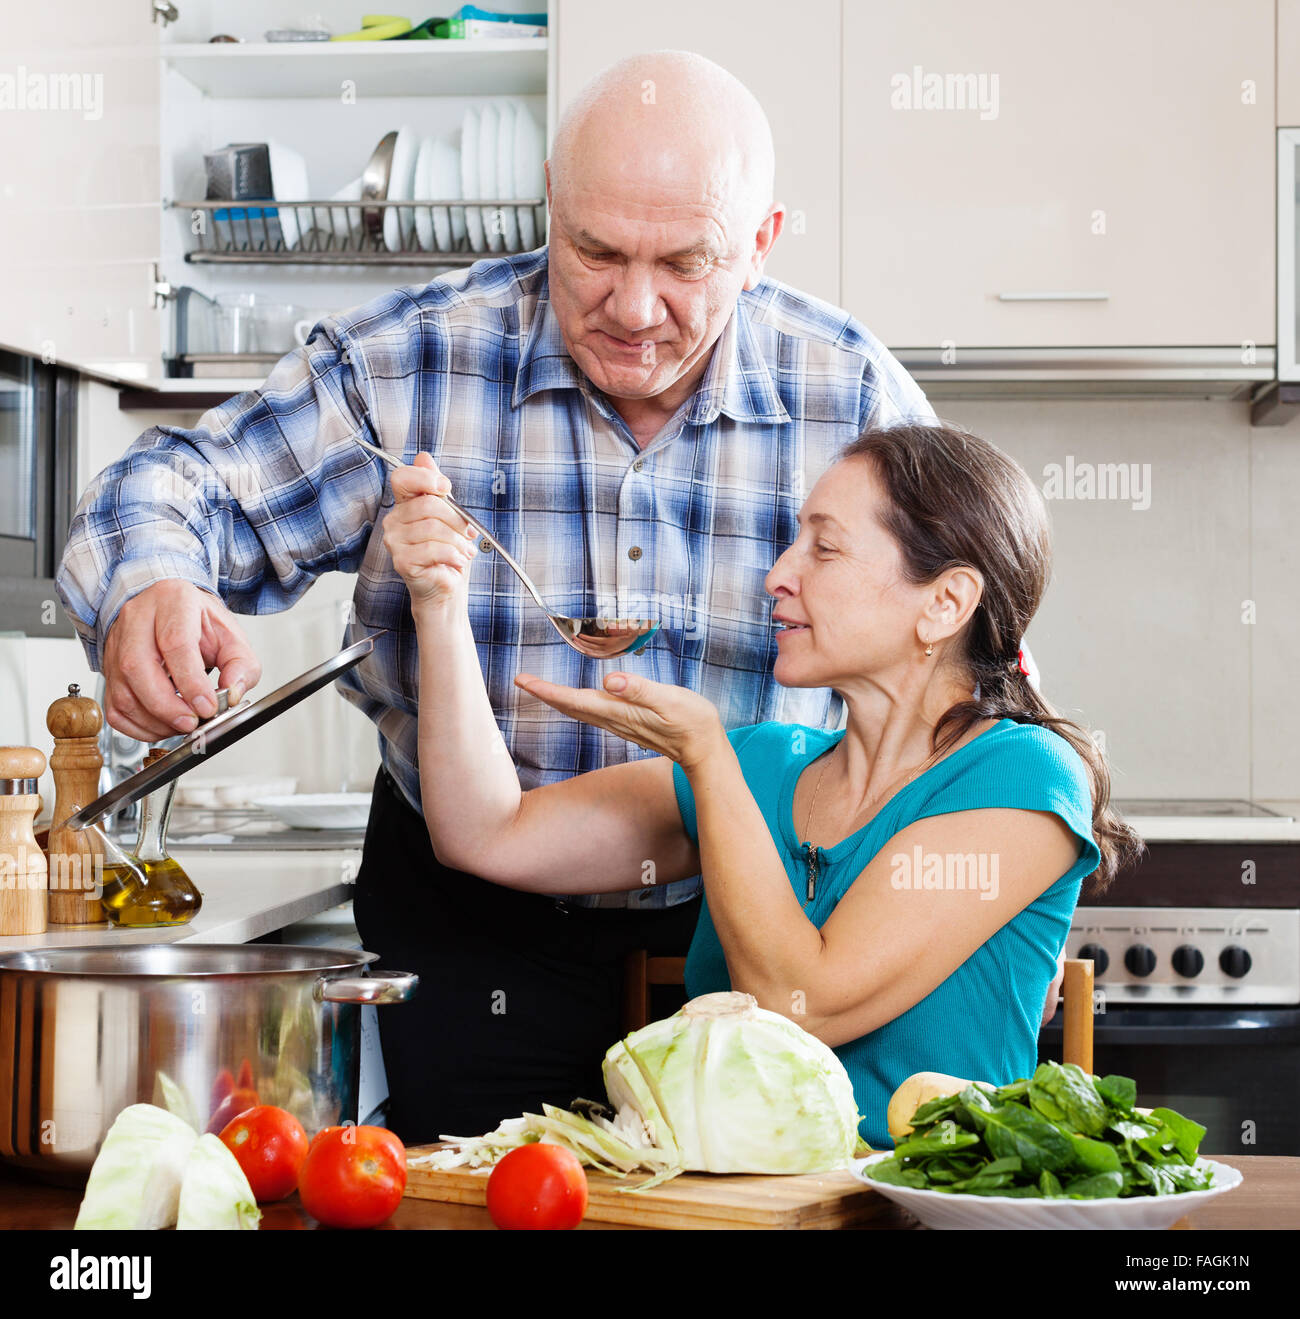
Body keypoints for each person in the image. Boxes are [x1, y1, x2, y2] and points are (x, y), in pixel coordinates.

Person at [56, 51, 935, 1141]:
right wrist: (154, 583)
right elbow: (164, 485)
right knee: (474, 1200)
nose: (634, 306)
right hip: (470, 916)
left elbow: (964, 654)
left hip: (754, 915)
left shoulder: (847, 389)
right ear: (550, 209)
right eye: (596, 250)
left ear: (759, 243)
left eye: (685, 262)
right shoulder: (414, 360)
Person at [383, 421, 1144, 1146]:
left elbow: (798, 1002)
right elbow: (482, 832)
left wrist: (708, 761)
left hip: (915, 1215)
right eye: (792, 542)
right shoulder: (767, 761)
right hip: (728, 1209)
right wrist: (437, 599)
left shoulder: (1021, 775)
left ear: (942, 602)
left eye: (825, 548)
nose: (778, 575)